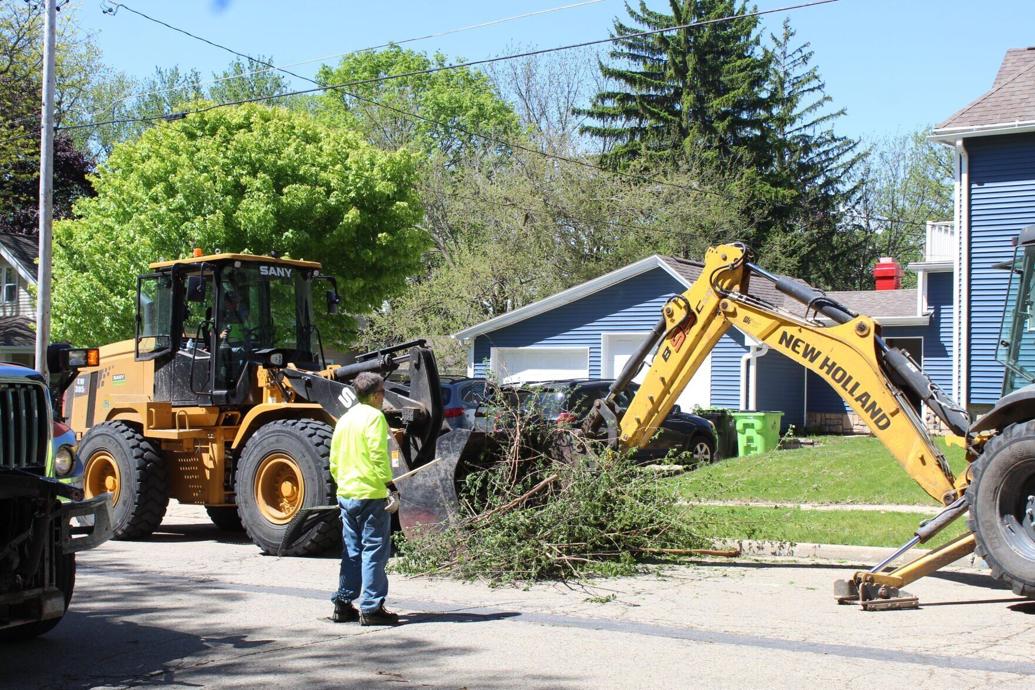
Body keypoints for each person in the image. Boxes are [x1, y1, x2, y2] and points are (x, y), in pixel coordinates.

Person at [329, 371, 399, 626]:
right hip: (371, 494)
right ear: (374, 395)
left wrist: (342, 486)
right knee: (374, 551)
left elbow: (334, 460)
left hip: (348, 494)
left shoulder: (344, 419)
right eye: (383, 392)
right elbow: (378, 454)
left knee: (352, 551)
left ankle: (343, 603)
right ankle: (371, 608)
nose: (384, 397)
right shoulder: (375, 418)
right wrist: (389, 484)